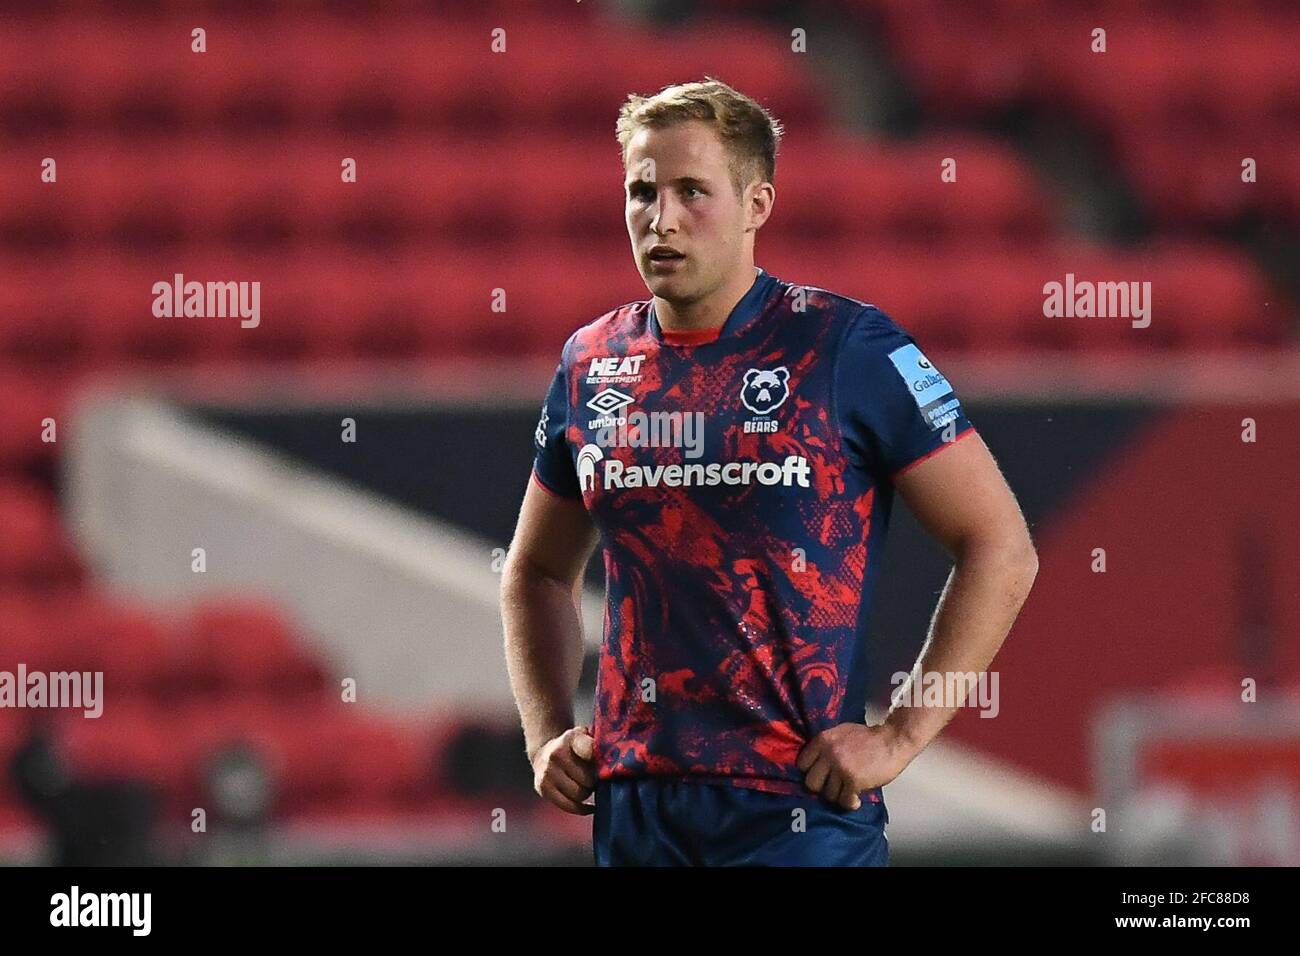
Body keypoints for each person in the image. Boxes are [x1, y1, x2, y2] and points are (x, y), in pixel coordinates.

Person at [501, 78, 1038, 866]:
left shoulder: (847, 348)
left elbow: (1000, 544)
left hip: (797, 811)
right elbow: (538, 570)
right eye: (642, 191)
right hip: (637, 809)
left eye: (693, 192)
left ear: (758, 204)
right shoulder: (592, 363)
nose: (662, 217)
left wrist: (899, 736)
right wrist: (546, 733)